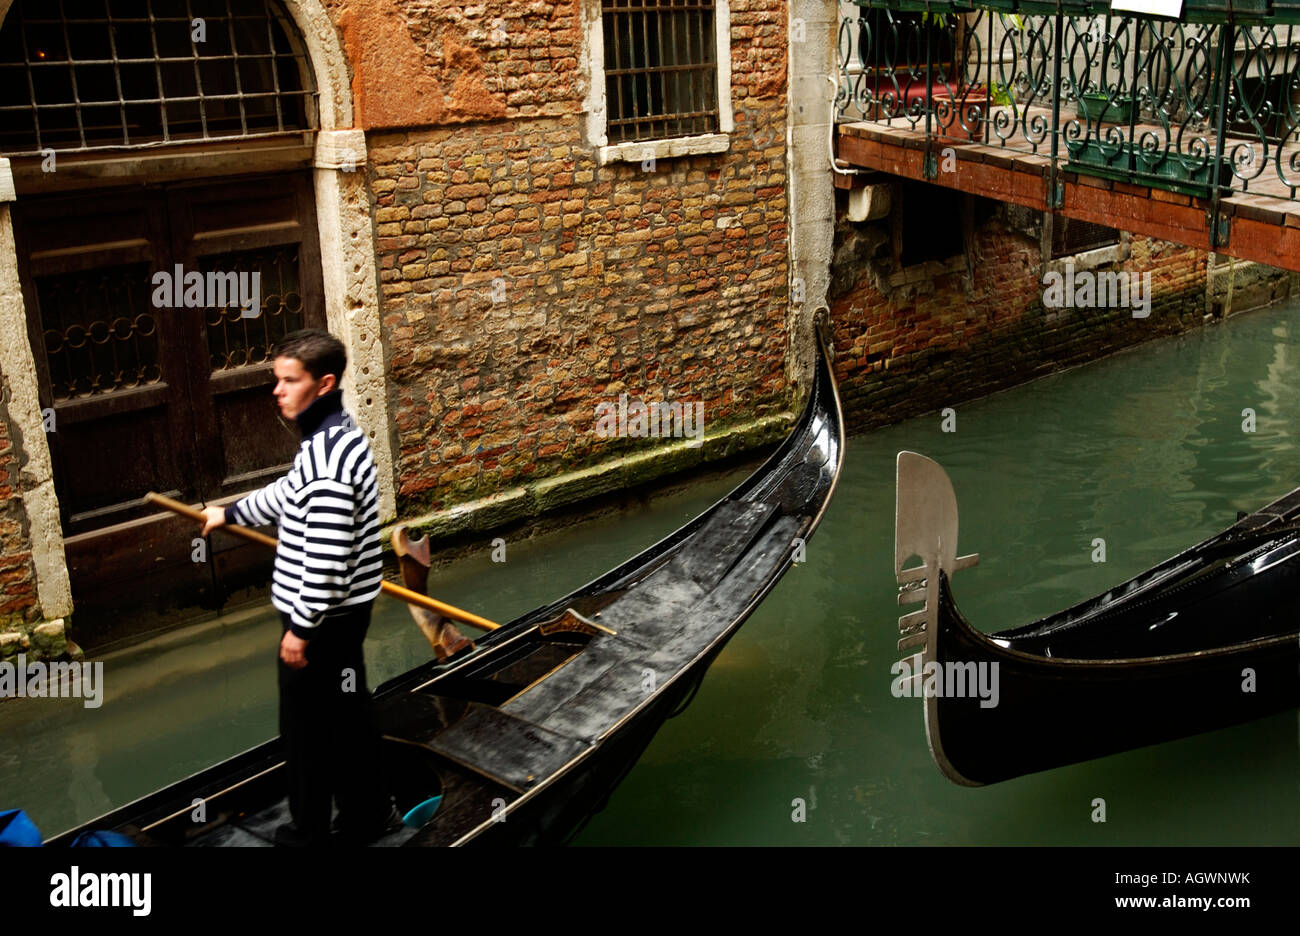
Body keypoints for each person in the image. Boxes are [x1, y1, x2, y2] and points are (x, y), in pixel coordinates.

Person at [201, 329, 397, 847]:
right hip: (341, 618)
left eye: (289, 381)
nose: (277, 391)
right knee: (349, 716)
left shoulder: (330, 459)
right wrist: (231, 512)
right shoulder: (331, 439)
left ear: (324, 383)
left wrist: (301, 630)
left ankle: (307, 833)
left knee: (306, 734)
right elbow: (290, 492)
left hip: (323, 621)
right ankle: (371, 814)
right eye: (277, 380)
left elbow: (329, 560)